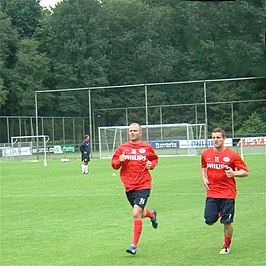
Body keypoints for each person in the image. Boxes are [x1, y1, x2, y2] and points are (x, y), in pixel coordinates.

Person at [111, 123, 159, 255]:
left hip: (143, 185)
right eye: (130, 131)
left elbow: (154, 159)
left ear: (140, 133)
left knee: (136, 213)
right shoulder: (122, 148)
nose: (132, 133)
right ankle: (152, 215)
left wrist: (151, 165)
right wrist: (119, 161)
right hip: (129, 186)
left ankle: (134, 245)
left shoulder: (147, 147)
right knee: (140, 213)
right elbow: (114, 165)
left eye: (135, 131)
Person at [201, 127, 249, 255]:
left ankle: (226, 246)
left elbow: (245, 171)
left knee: (227, 222)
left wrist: (234, 173)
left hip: (228, 193)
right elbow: (204, 166)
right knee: (209, 220)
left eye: (218, 138)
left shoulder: (232, 155)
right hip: (212, 192)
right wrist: (204, 178)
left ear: (224, 139)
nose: (215, 140)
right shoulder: (206, 153)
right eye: (213, 138)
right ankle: (219, 212)